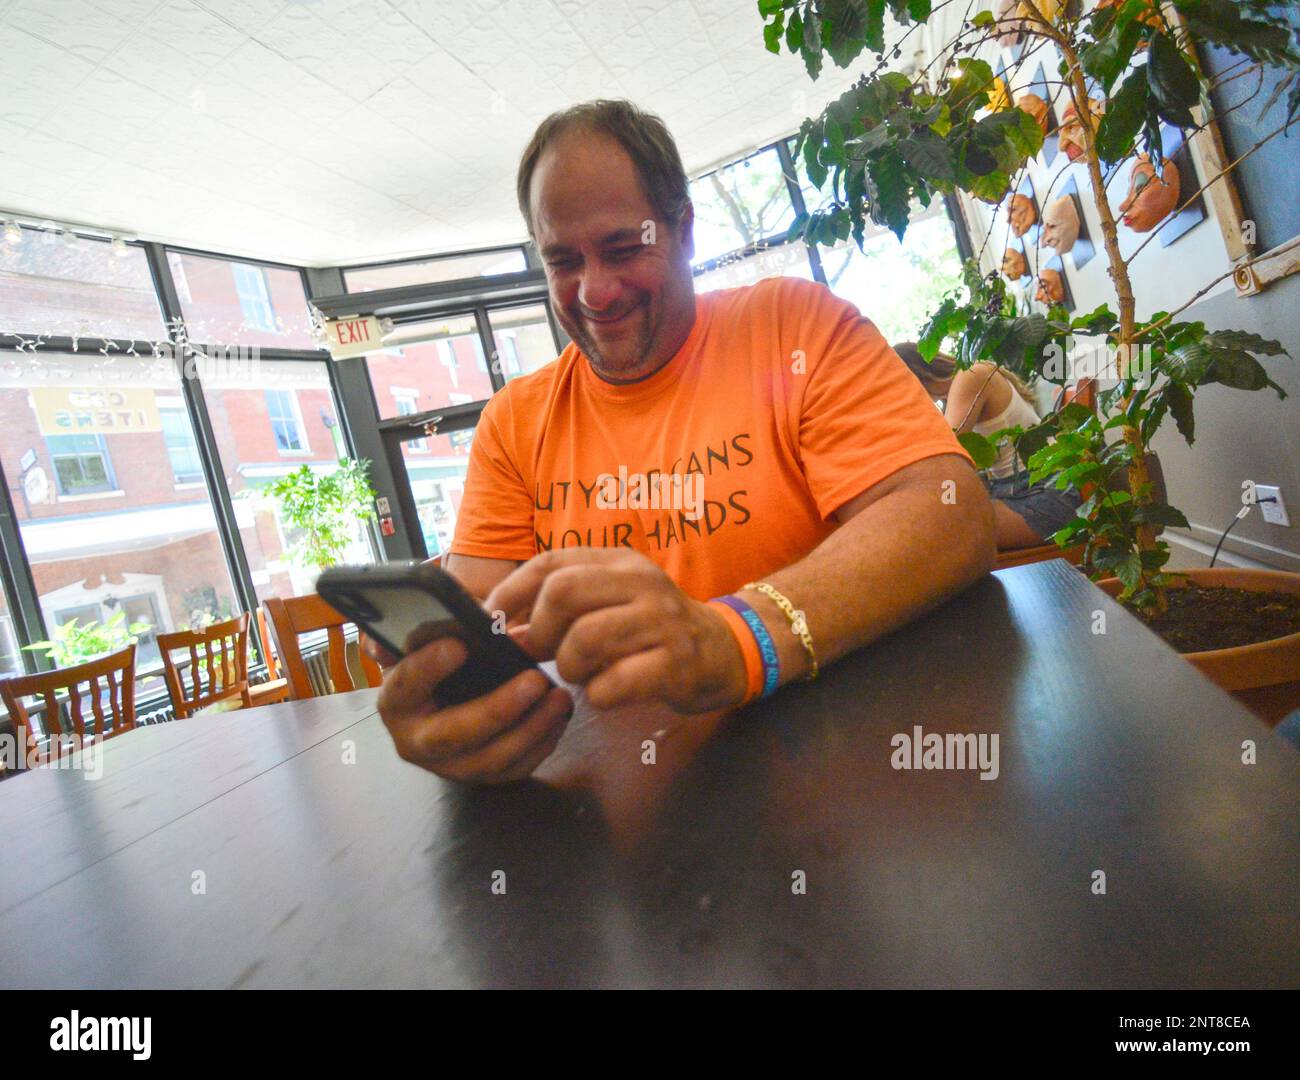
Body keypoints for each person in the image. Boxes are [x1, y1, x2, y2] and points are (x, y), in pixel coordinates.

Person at [372, 100, 995, 783]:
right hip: (627, 822)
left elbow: (948, 512)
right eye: (563, 261)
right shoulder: (514, 420)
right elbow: (484, 625)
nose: (595, 292)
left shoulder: (794, 327)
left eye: (621, 248)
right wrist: (458, 712)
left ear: (684, 230)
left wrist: (737, 640)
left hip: (850, 770)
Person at [893, 343, 1081, 550]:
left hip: (1046, 496)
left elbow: (945, 450)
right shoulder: (960, 387)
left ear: (913, 377)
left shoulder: (970, 376)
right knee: (932, 524)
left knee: (938, 534)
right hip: (1023, 491)